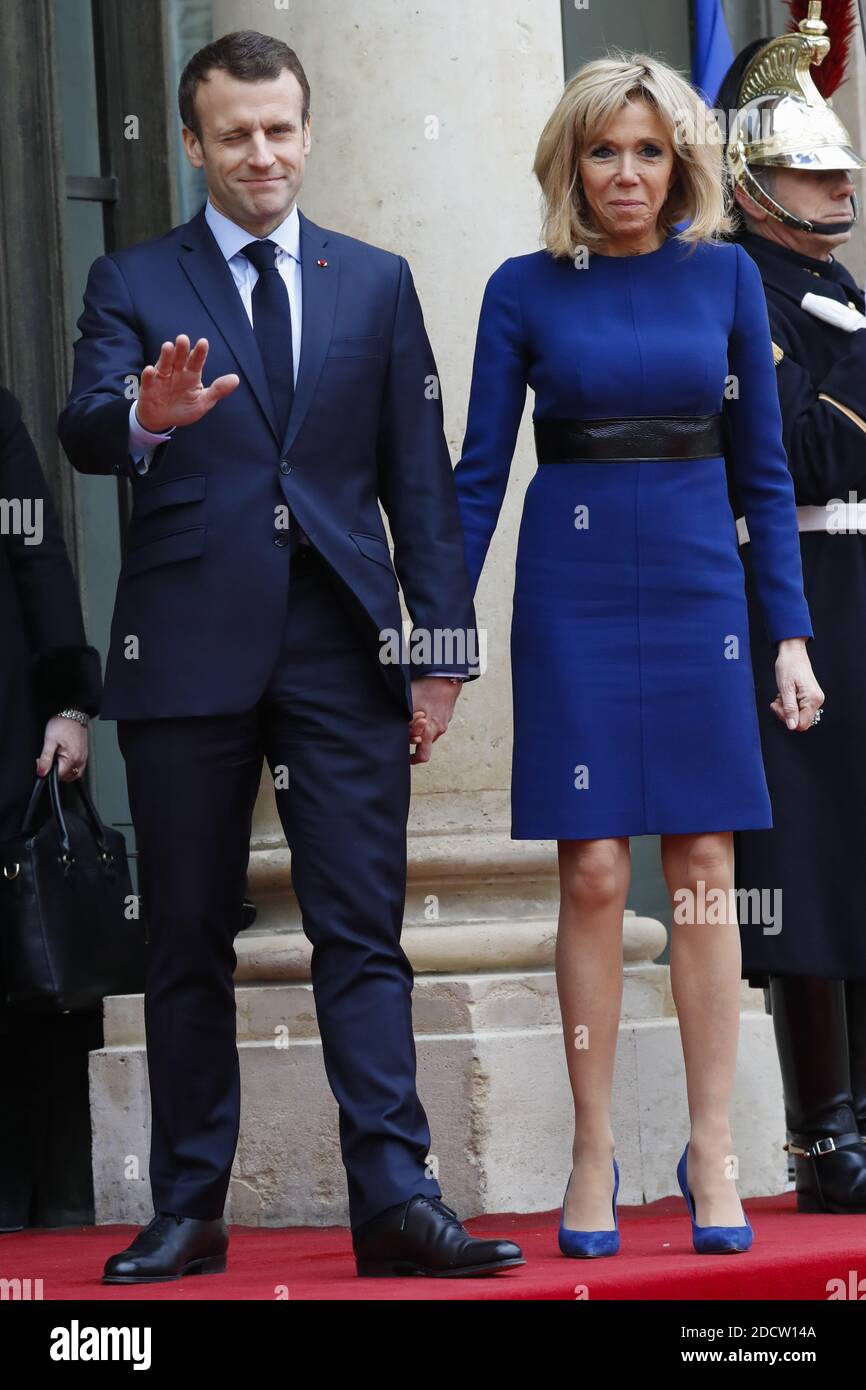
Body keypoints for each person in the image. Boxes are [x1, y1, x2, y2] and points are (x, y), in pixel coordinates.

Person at [59, 29, 524, 1281]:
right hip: (187, 646)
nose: (261, 154)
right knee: (187, 937)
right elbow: (85, 420)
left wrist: (437, 652)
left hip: (342, 645)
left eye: (279, 130)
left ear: (307, 134)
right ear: (195, 144)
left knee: (362, 931)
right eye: (234, 134)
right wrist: (143, 420)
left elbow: (418, 483)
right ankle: (189, 1206)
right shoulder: (132, 279)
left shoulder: (374, 281)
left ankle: (394, 1199)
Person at [452, 51, 823, 1257]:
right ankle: (591, 1145)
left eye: (649, 151)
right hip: (570, 585)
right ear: (571, 160)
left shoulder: (721, 279)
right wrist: (439, 635)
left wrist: (787, 634)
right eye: (605, 150)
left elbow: (763, 475)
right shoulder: (519, 288)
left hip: (695, 582)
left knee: (707, 856)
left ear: (681, 166)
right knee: (595, 872)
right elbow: (475, 479)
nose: (626, 173)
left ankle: (711, 1144)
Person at [717, 3, 866, 1213]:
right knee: (803, 863)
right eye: (802, 170)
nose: (828, 187)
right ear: (751, 183)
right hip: (794, 587)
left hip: (859, 582)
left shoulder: (836, 293)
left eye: (832, 168)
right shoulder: (734, 289)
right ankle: (822, 1139)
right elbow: (795, 455)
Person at [0, 385, 101, 1229]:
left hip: (7, 735)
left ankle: (59, 1198)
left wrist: (69, 702)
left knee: (32, 958)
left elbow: (37, 550)